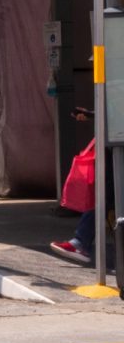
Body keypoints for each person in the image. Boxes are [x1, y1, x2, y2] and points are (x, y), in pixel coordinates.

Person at [51, 105, 114, 265]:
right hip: (112, 144)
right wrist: (92, 114)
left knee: (104, 194)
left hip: (115, 146)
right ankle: (80, 242)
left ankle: (80, 242)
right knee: (103, 194)